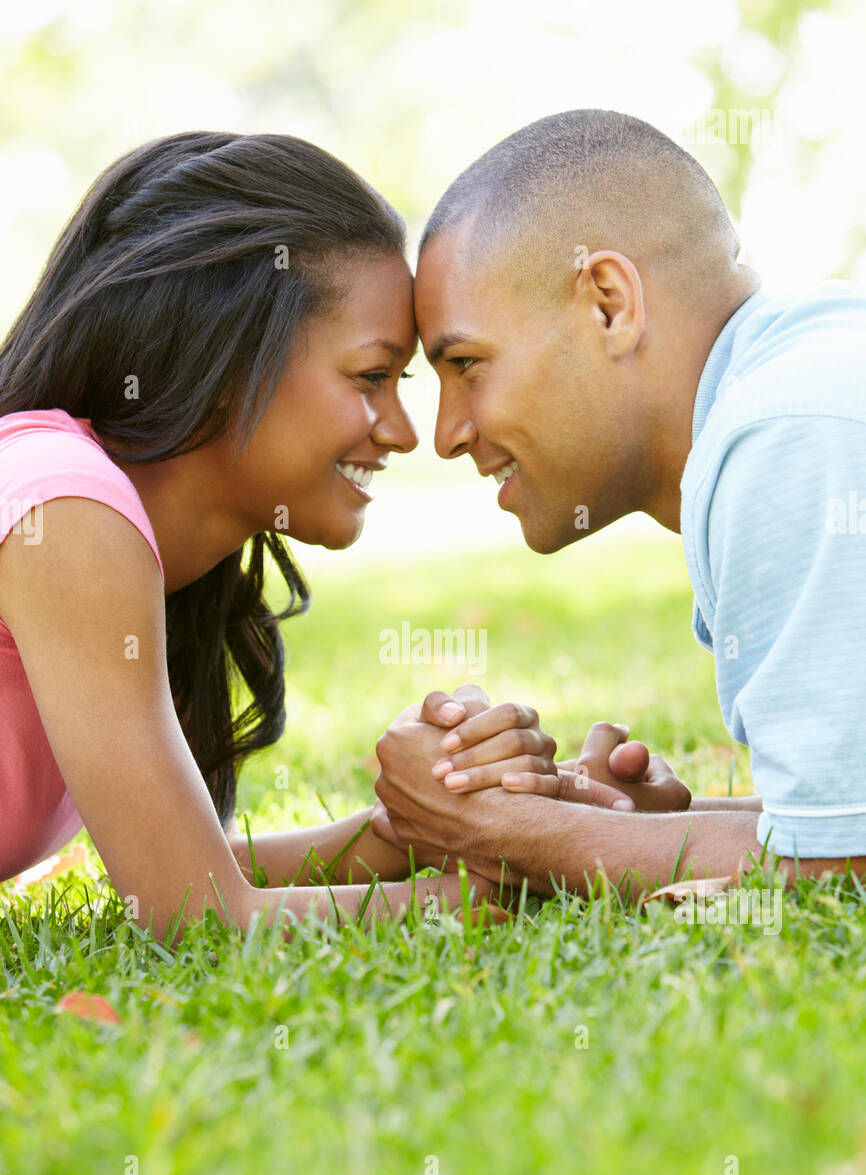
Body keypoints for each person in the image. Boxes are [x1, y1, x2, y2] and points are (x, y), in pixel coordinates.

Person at [0, 129, 568, 939]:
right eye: (373, 377)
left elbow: (189, 867)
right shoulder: (65, 506)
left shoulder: (135, 540)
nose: (406, 432)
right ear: (230, 357)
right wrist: (541, 875)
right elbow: (197, 917)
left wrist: (420, 827)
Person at [372, 108, 866, 898]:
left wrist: (492, 829)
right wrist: (617, 825)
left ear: (608, 302)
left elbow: (838, 868)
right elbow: (821, 819)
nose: (447, 434)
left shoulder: (787, 435)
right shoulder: (795, 384)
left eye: (466, 363)